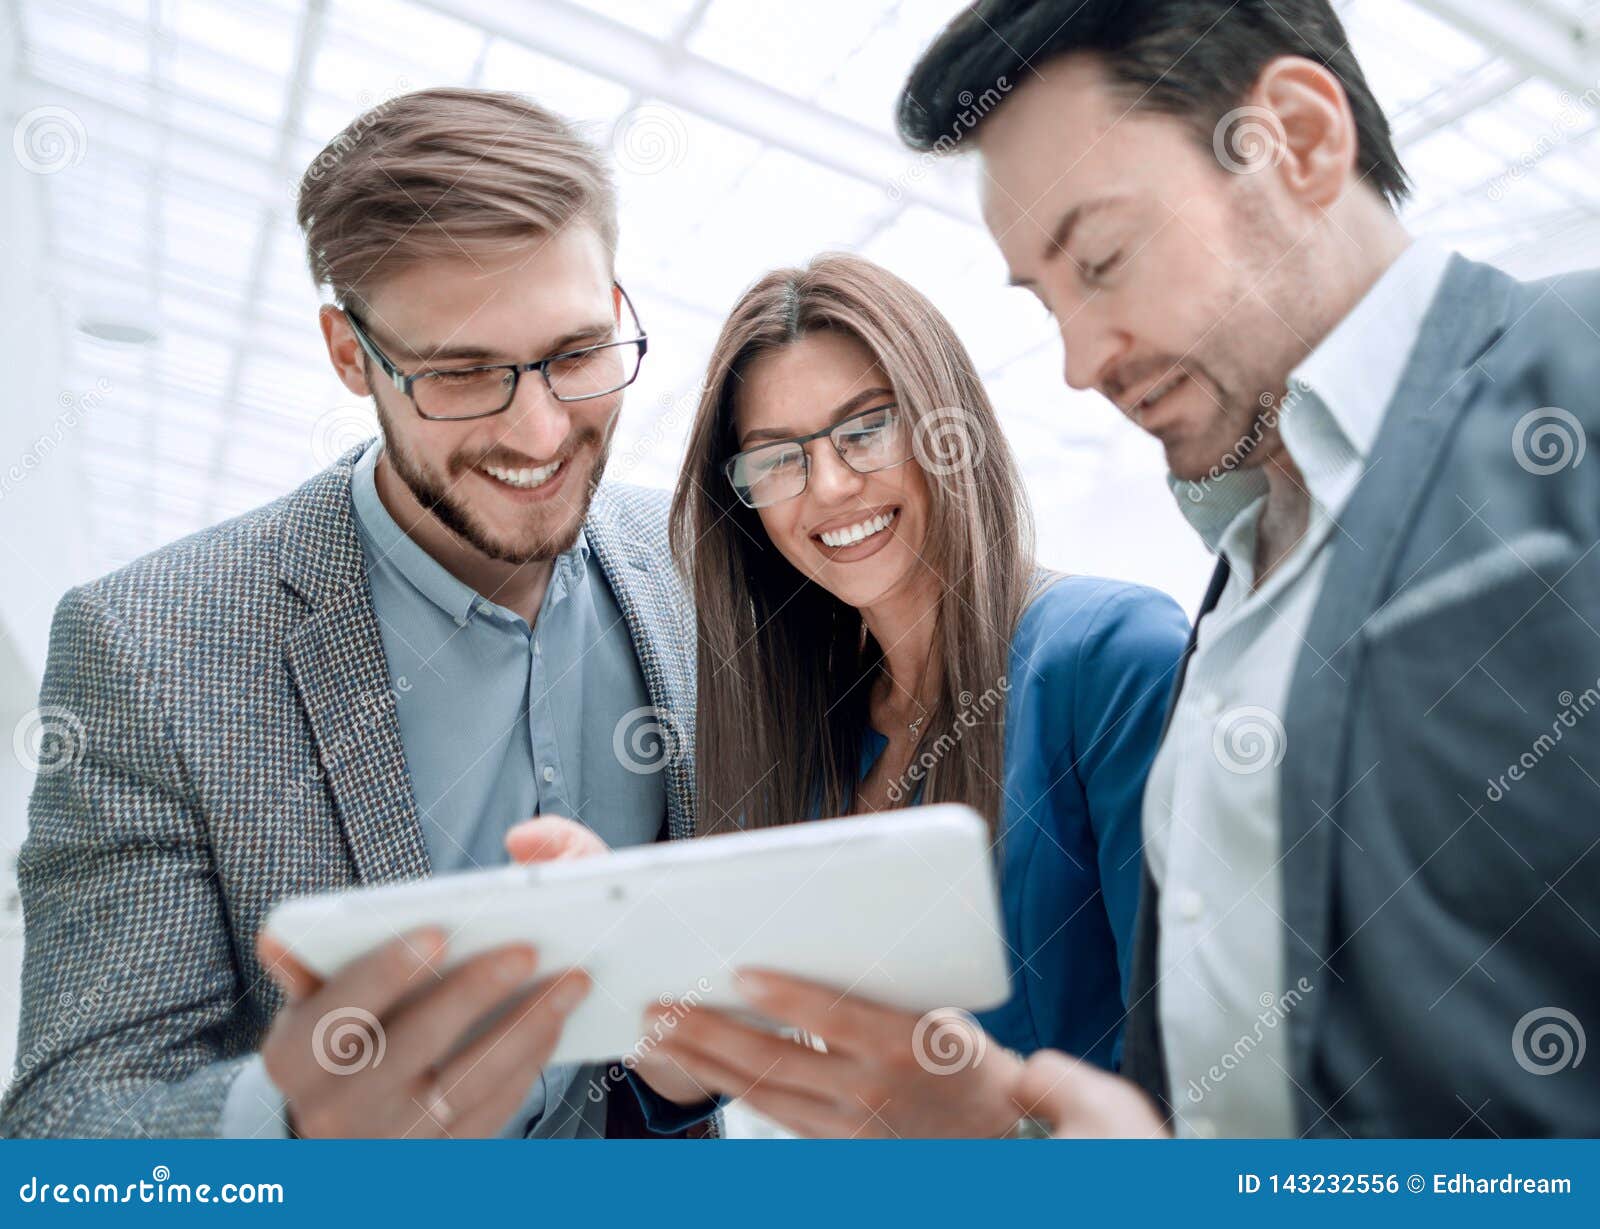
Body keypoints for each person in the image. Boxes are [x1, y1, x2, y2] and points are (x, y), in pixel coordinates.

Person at [893, 0, 1600, 1137]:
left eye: (1105, 260)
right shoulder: (1234, 572)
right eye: (1046, 298)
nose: (1078, 362)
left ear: (1301, 141)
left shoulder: (1576, 382)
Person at [0, 88, 717, 1139]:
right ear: (350, 352)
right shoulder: (148, 647)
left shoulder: (694, 564)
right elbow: (65, 1126)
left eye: (574, 354)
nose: (540, 429)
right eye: (463, 372)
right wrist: (293, 1119)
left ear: (615, 304)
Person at [642, 252, 1187, 1137]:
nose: (828, 486)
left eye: (866, 430)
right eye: (776, 460)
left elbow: (1203, 1091)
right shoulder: (817, 737)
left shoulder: (1111, 658)